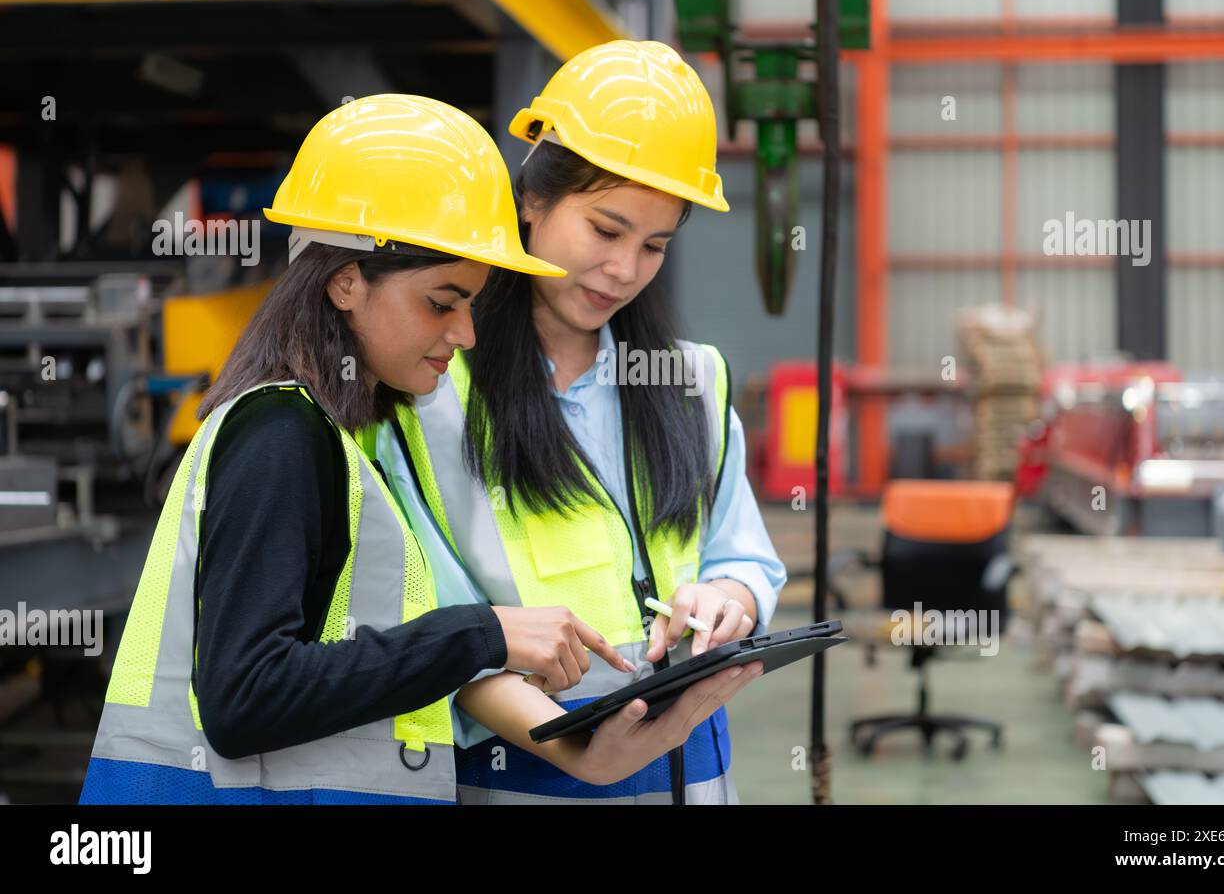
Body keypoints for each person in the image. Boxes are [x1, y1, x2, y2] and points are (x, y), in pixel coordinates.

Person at [79, 94, 750, 804]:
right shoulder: (279, 435)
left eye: (470, 304)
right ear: (344, 282)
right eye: (441, 301)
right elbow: (243, 698)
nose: (465, 333)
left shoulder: (333, 438)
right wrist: (480, 635)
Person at [379, 42, 785, 804]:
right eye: (606, 230)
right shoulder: (431, 395)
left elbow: (745, 556)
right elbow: (429, 618)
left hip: (693, 775)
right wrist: (578, 750)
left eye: (654, 244)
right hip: (526, 775)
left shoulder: (693, 383)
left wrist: (727, 599)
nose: (625, 268)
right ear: (532, 200)